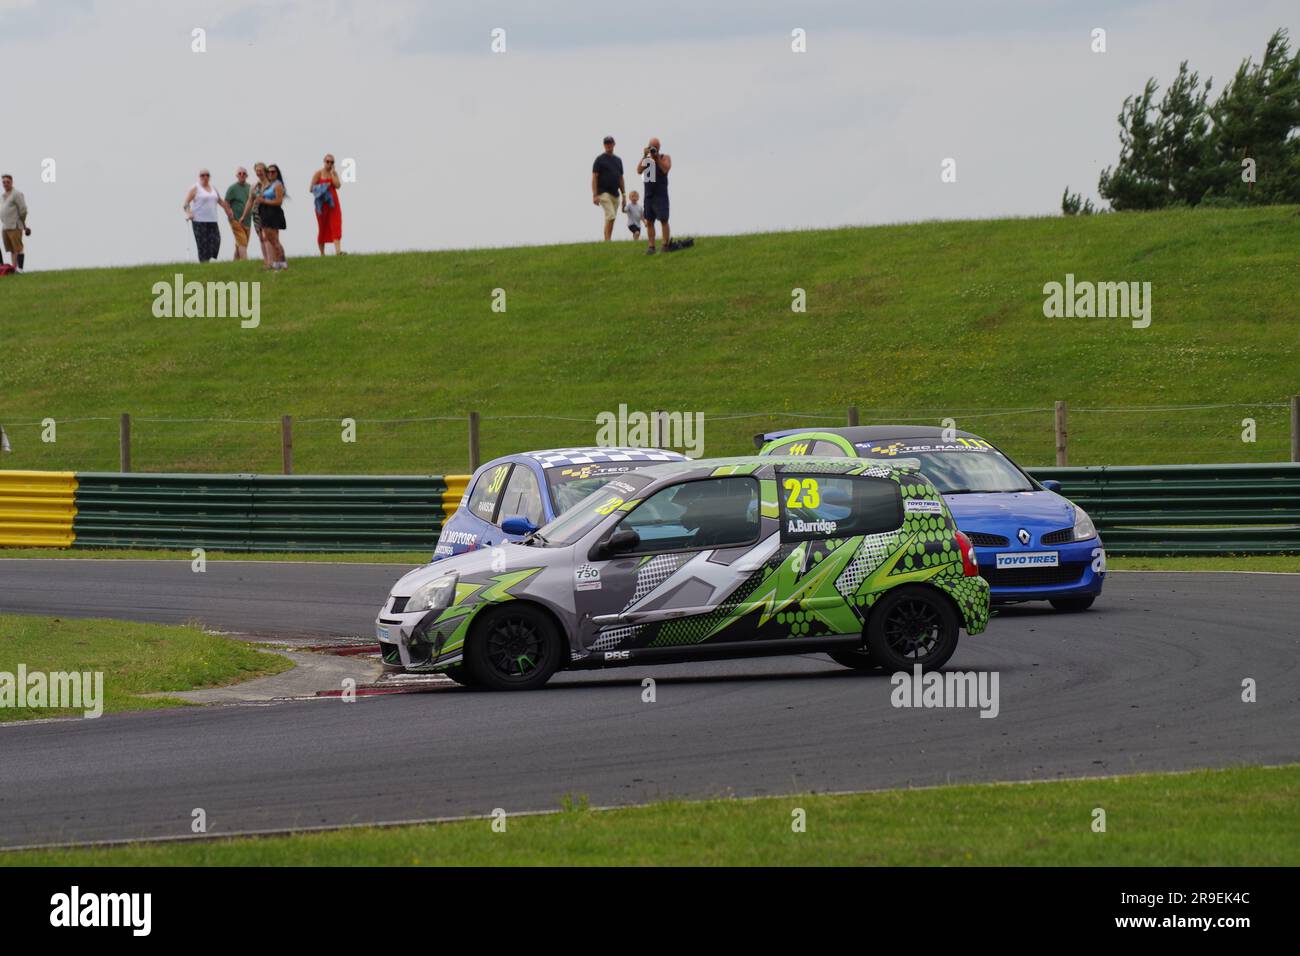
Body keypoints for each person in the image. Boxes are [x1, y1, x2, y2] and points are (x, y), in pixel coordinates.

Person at [183, 169, 233, 263]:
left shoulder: (213, 188)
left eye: (207, 175)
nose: (205, 177)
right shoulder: (195, 188)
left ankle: (207, 260)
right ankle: (204, 264)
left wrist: (228, 210)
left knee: (216, 241)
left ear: (209, 177)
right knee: (203, 245)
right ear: (199, 177)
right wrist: (189, 212)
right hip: (199, 221)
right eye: (202, 175)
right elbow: (186, 203)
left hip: (212, 220)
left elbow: (220, 201)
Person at [636, 136, 672, 255]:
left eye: (655, 147)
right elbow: (639, 170)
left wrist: (656, 158)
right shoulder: (647, 159)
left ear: (659, 147)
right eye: (652, 147)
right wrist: (644, 156)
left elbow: (665, 169)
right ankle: (651, 247)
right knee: (649, 222)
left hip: (660, 194)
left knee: (663, 219)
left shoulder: (664, 157)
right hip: (649, 195)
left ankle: (665, 245)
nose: (653, 149)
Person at [591, 135, 625, 241]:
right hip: (603, 193)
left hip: (615, 194)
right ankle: (608, 240)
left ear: (614, 144)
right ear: (604, 145)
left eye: (610, 143)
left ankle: (606, 243)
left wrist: (624, 195)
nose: (608, 145)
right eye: (606, 143)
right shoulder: (599, 160)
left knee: (610, 219)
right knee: (611, 216)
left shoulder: (618, 160)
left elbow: (620, 179)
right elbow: (594, 177)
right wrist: (595, 195)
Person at [257, 164, 289, 271]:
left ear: (277, 173)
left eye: (273, 172)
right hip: (266, 213)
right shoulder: (270, 184)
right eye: (269, 172)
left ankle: (282, 262)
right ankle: (277, 262)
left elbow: (279, 201)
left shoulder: (277, 185)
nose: (270, 174)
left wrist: (264, 201)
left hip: (272, 213)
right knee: (271, 239)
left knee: (274, 240)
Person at [310, 154, 344, 255]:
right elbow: (311, 188)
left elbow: (338, 185)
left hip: (333, 204)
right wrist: (323, 186)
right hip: (321, 204)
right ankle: (322, 253)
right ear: (324, 161)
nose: (329, 164)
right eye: (327, 161)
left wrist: (333, 174)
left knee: (336, 225)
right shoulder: (318, 173)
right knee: (322, 227)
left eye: (332, 162)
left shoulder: (334, 173)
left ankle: (338, 251)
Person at [1, 174, 30, 272]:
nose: (5, 184)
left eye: (7, 182)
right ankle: (14, 268)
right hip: (6, 226)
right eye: (4, 182)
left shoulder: (16, 194)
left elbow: (23, 210)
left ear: (12, 182)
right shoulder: (3, 196)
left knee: (18, 248)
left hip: (15, 225)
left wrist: (21, 222)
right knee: (12, 249)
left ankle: (20, 268)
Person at [225, 167, 254, 261]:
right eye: (240, 173)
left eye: (244, 173)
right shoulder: (232, 188)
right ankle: (245, 263)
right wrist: (229, 213)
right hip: (235, 220)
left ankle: (235, 263)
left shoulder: (250, 187)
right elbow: (226, 202)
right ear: (237, 175)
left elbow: (255, 200)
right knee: (243, 242)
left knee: (240, 244)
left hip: (247, 220)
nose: (242, 175)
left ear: (247, 176)